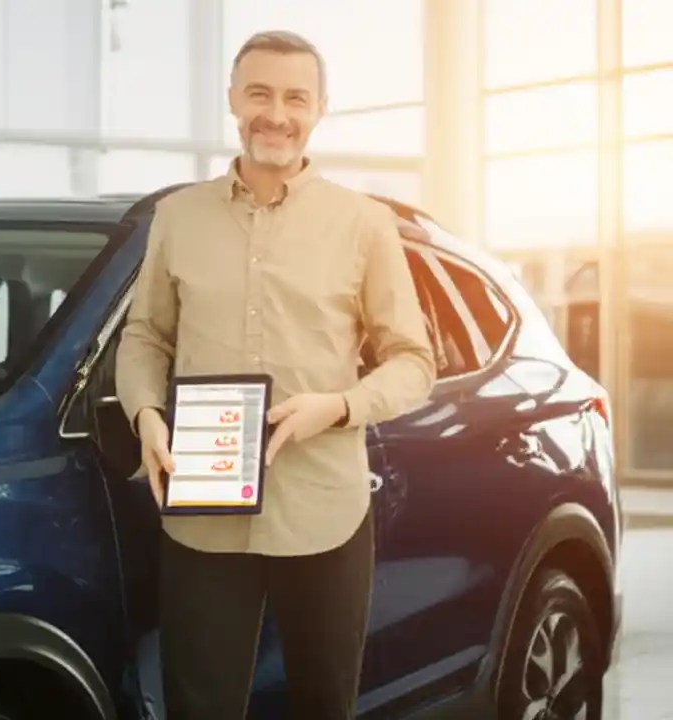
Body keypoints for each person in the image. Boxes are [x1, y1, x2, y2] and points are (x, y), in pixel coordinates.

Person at [114, 30, 437, 720]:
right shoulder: (176, 217)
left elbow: (414, 363)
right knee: (199, 707)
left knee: (323, 705)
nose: (276, 113)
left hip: (324, 506)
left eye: (296, 97)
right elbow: (145, 337)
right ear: (233, 99)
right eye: (259, 93)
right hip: (202, 513)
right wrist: (146, 415)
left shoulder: (364, 224)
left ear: (320, 108)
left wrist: (340, 406)